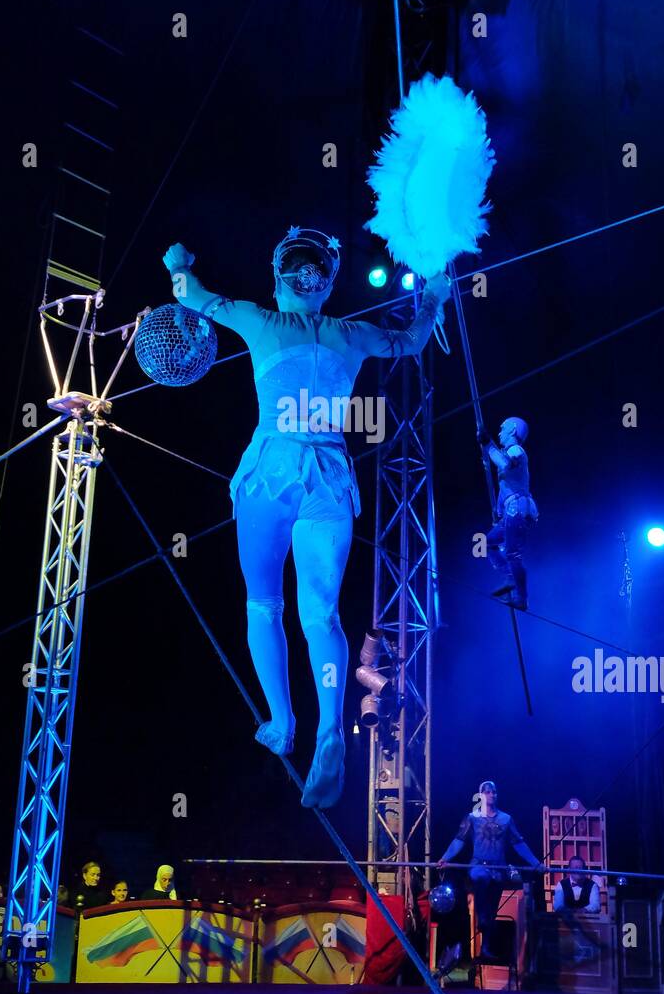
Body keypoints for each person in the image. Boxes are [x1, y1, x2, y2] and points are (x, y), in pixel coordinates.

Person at [163, 230, 450, 809]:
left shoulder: (260, 321)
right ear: (325, 283)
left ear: (279, 277)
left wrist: (179, 263)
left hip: (271, 471)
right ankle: (326, 729)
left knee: (262, 603)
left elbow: (191, 296)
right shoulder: (353, 334)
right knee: (321, 615)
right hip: (328, 479)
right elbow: (414, 342)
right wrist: (434, 297)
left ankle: (280, 720)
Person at [438, 779, 543, 962]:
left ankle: (485, 946)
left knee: (493, 909)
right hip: (478, 865)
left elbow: (518, 844)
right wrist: (445, 858)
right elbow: (459, 840)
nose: (491, 795)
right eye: (487, 792)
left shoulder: (506, 819)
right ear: (480, 795)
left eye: (493, 792)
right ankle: (483, 919)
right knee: (480, 879)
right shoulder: (472, 818)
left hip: (498, 868)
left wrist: (535, 863)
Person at [478, 416, 538, 611]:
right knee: (487, 543)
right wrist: (499, 511)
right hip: (512, 510)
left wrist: (488, 445)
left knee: (513, 553)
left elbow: (504, 464)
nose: (499, 432)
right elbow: (507, 487)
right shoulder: (510, 452)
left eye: (502, 428)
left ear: (512, 430)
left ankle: (522, 598)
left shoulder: (516, 450)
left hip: (518, 509)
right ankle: (510, 577)